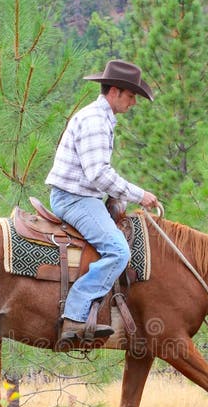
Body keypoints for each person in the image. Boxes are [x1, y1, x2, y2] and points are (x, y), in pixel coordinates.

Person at [46, 59, 160, 343]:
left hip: (81, 195)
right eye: (132, 95)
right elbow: (98, 173)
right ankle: (74, 316)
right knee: (119, 251)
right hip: (75, 199)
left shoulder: (101, 117)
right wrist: (139, 195)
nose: (134, 102)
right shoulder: (96, 120)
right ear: (116, 92)